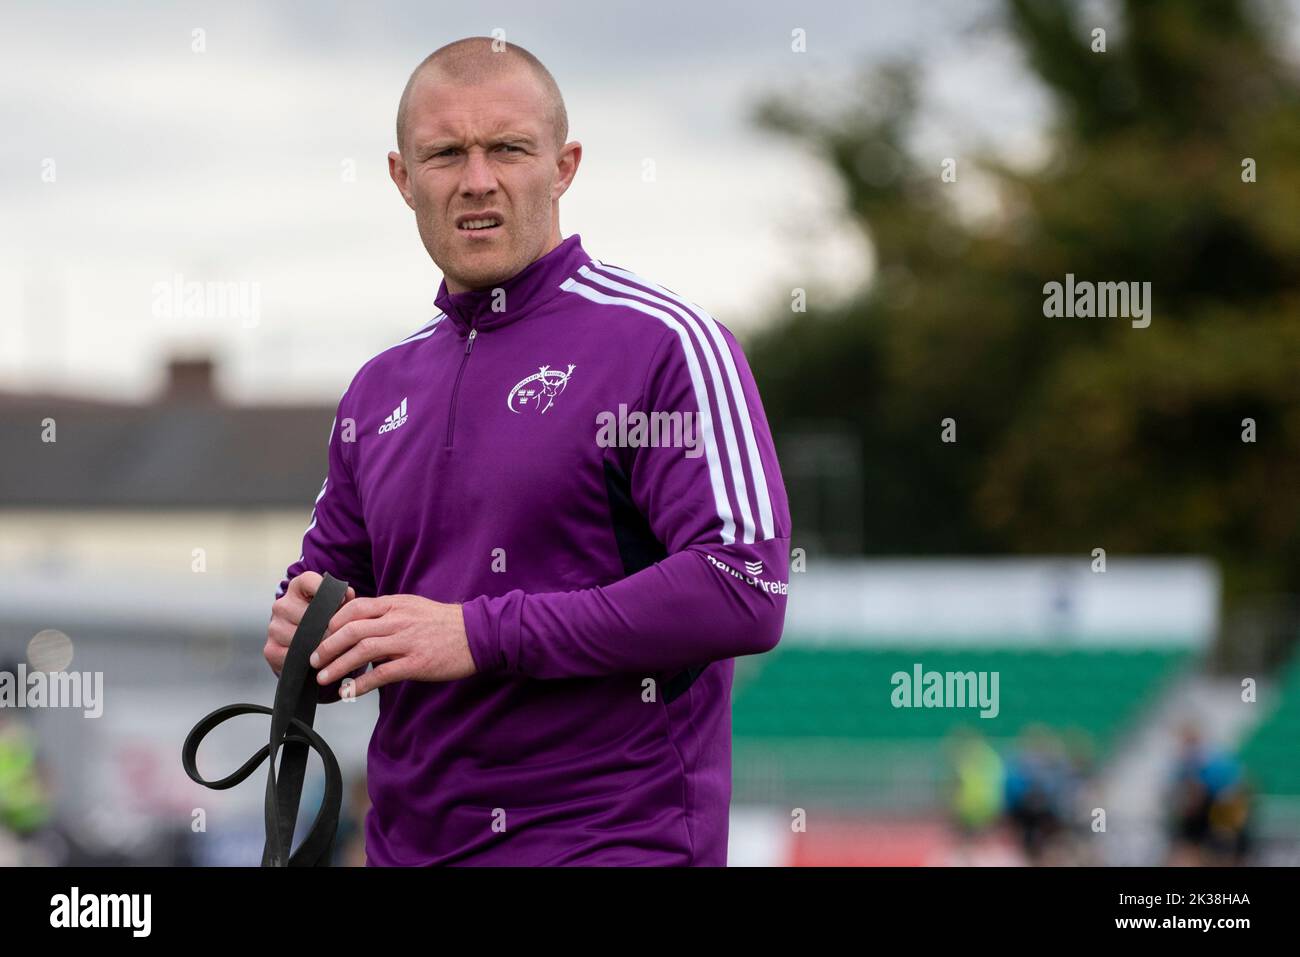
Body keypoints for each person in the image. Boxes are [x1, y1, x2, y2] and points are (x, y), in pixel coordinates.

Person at [265, 36, 791, 865]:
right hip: (405, 846)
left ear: (564, 165)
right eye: (445, 154)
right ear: (404, 178)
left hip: (610, 841)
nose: (478, 180)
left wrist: (480, 633)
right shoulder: (378, 387)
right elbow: (333, 595)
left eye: (507, 148)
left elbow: (746, 584)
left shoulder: (665, 344)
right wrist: (305, 632)